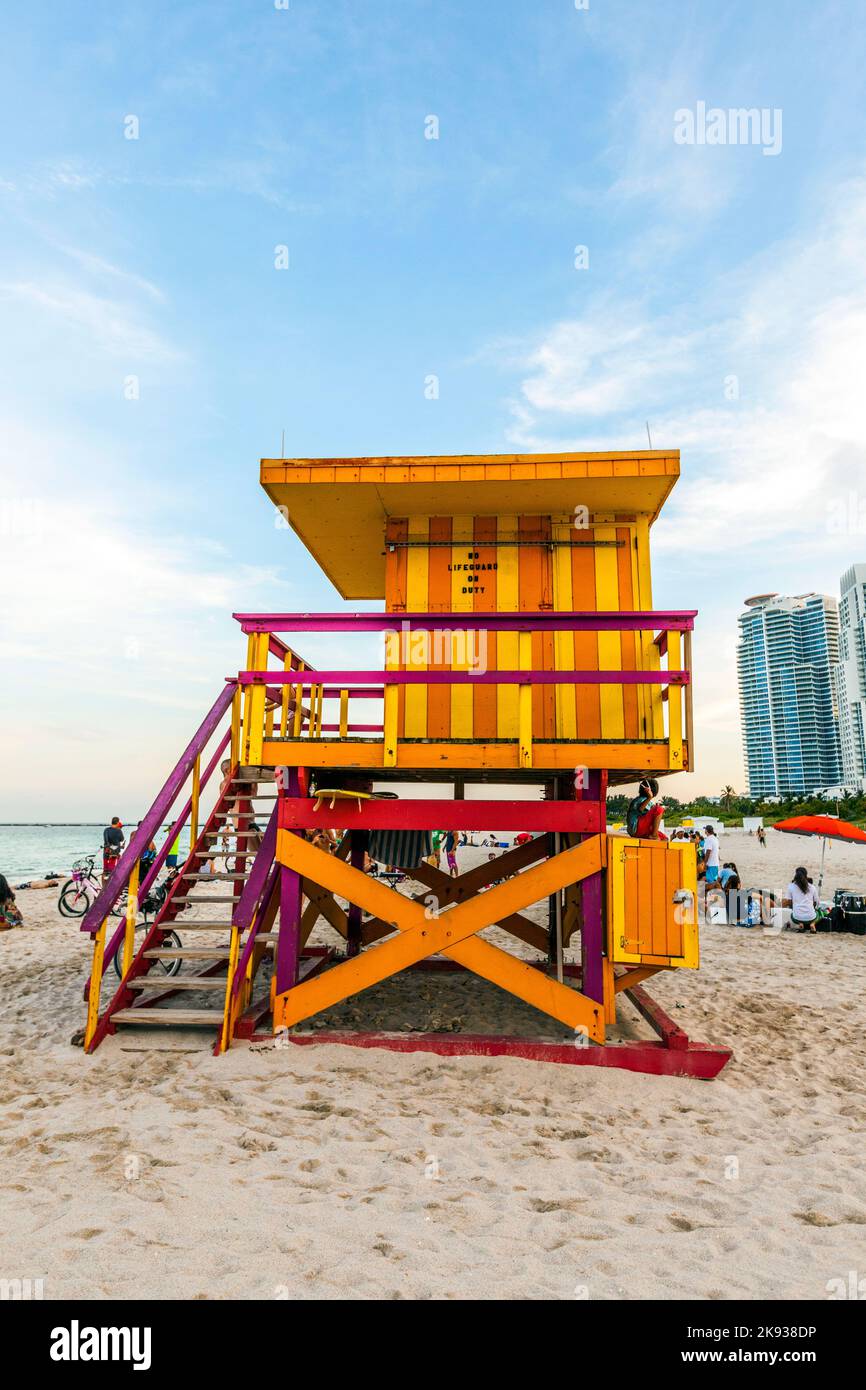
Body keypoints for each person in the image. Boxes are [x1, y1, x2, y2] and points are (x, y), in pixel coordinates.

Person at [783, 867, 820, 933]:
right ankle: (812, 924)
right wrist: (813, 908)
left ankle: (800, 924)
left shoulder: (791, 886)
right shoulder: (812, 887)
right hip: (811, 917)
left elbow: (788, 901)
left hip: (796, 917)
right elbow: (816, 902)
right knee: (819, 914)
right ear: (806, 875)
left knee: (792, 915)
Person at [102, 817, 125, 883]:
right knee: (112, 868)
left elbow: (106, 840)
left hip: (107, 851)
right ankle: (111, 884)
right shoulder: (119, 831)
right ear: (117, 822)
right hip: (115, 852)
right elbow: (122, 839)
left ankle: (104, 886)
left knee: (105, 869)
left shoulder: (106, 830)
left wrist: (109, 847)